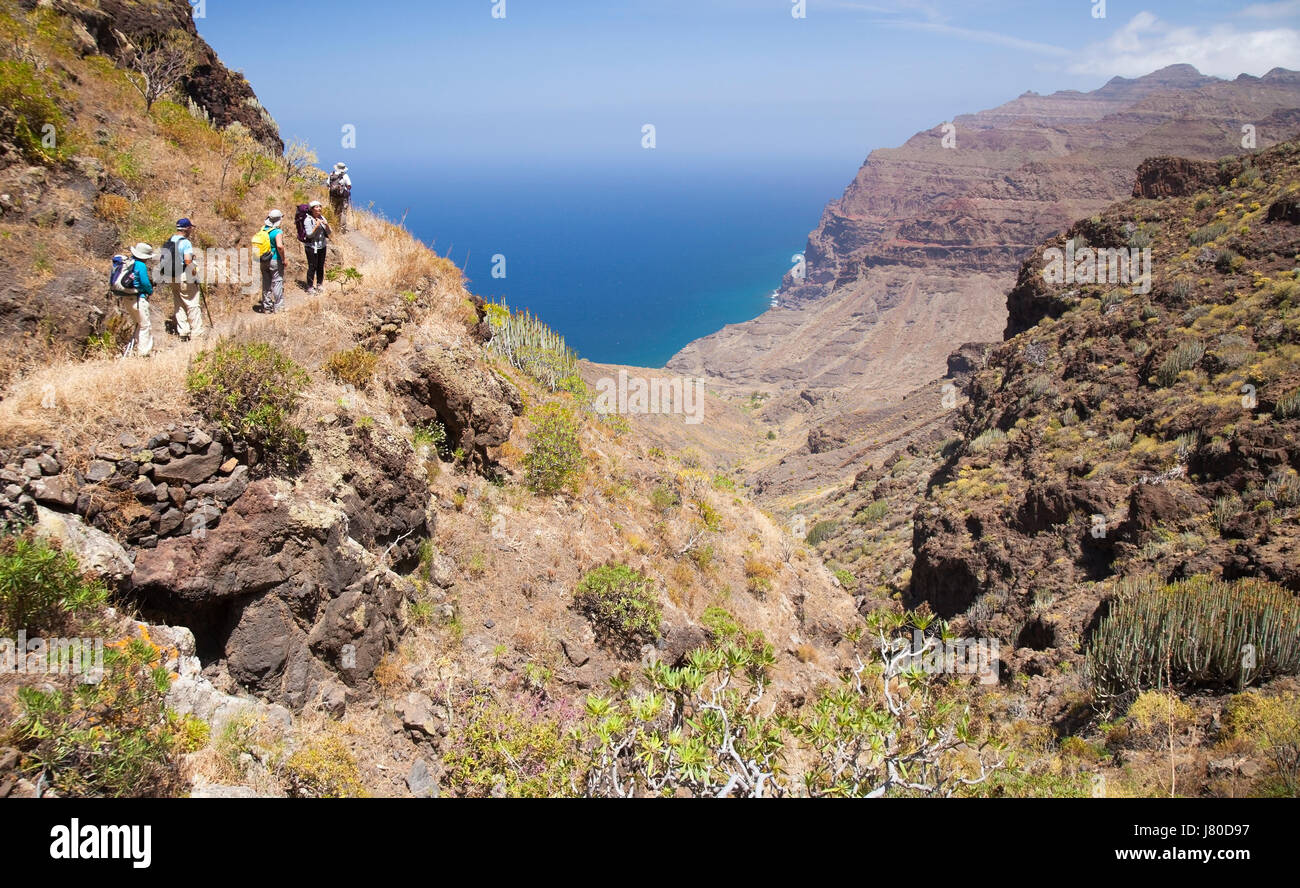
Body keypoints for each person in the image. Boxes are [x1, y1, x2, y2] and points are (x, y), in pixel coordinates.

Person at [162, 217, 203, 341]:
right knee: (192, 304)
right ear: (187, 228)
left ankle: (183, 332)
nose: (191, 230)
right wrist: (194, 273)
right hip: (184, 276)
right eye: (190, 228)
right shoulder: (185, 242)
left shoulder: (170, 240)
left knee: (178, 304)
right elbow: (187, 261)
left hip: (171, 276)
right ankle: (197, 333)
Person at [120, 242, 154, 357]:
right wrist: (150, 291)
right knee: (145, 326)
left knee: (139, 324)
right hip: (138, 299)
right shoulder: (140, 265)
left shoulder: (128, 263)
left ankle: (136, 349)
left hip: (127, 298)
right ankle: (143, 354)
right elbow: (144, 282)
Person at [258, 209, 288, 314]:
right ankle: (279, 308)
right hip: (275, 260)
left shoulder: (262, 230)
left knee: (266, 283)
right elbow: (279, 246)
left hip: (263, 260)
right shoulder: (277, 232)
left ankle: (267, 307)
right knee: (277, 282)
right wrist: (284, 259)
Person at [303, 200, 331, 294]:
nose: (319, 208)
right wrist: (316, 226)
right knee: (312, 266)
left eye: (320, 207)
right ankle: (310, 287)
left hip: (322, 246)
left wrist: (326, 224)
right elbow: (309, 234)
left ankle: (319, 284)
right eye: (316, 207)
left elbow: (329, 232)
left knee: (320, 266)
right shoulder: (308, 220)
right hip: (311, 247)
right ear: (311, 209)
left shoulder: (322, 217)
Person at [328, 162, 352, 233]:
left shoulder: (331, 174)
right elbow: (349, 186)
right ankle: (342, 229)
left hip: (333, 196)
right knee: (343, 212)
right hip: (343, 197)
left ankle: (334, 225)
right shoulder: (345, 176)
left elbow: (327, 184)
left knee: (334, 210)